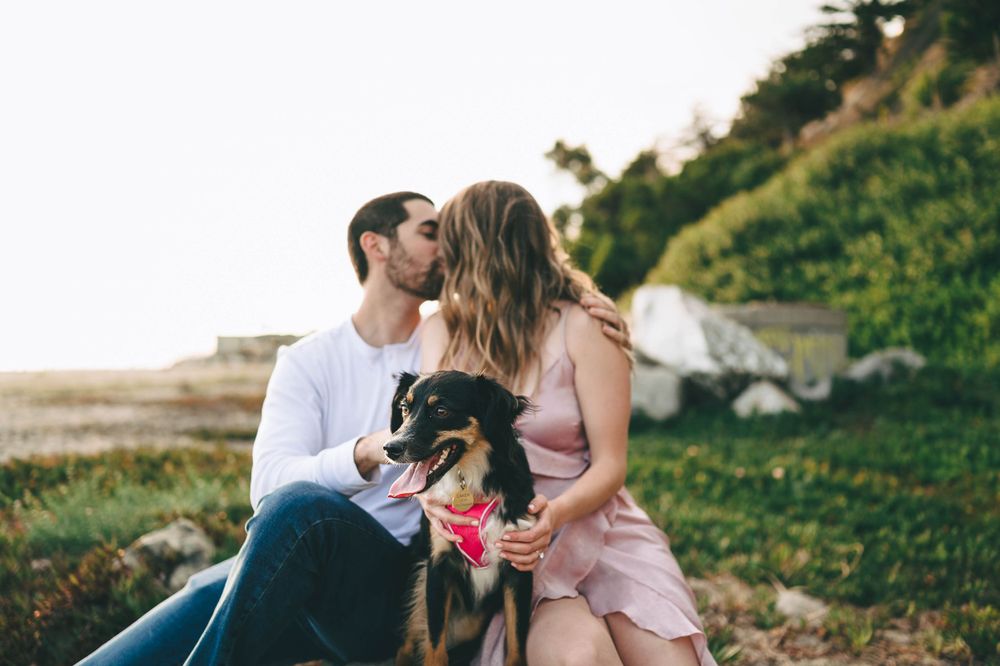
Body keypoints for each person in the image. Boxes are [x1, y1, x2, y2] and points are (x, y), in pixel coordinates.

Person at [78, 191, 628, 665]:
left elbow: (529, 308)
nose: (450, 246)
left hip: (404, 579)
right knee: (215, 586)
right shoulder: (308, 360)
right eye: (431, 232)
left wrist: (588, 303)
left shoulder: (454, 339)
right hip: (312, 562)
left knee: (295, 519)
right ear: (376, 245)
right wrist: (366, 452)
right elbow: (267, 488)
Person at [418, 181, 716, 666]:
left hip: (593, 521)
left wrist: (553, 515)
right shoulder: (443, 330)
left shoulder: (584, 325)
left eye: (447, 243)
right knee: (575, 657)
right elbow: (431, 442)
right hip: (509, 543)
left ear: (472, 249)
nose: (441, 257)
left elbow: (611, 464)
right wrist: (433, 501)